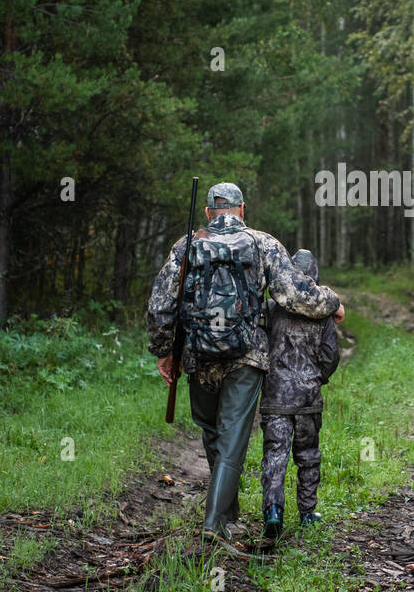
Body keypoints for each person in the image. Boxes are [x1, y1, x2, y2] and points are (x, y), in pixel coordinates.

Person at [146, 182, 344, 546]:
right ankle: (214, 521)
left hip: (198, 353)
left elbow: (161, 304)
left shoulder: (185, 245)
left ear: (208, 212)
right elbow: (295, 295)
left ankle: (225, 516)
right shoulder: (263, 243)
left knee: (212, 432)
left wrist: (165, 350)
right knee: (233, 435)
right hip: (246, 354)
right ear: (241, 210)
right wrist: (331, 302)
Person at [259, 249, 340, 538]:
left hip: (275, 398)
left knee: (275, 456)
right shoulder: (323, 314)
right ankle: (307, 513)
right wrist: (318, 378)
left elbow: (258, 347)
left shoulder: (270, 310)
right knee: (307, 455)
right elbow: (331, 355)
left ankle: (273, 512)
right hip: (308, 398)